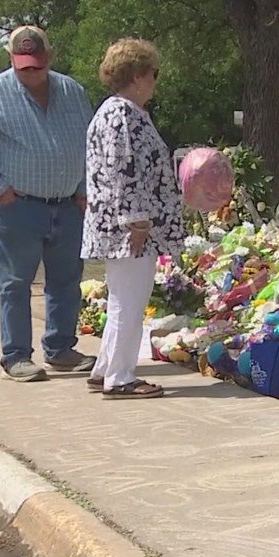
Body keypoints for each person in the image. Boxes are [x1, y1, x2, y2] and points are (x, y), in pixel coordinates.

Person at [0, 25, 96, 383]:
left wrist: (82, 188)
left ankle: (60, 349)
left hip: (68, 205)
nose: (30, 71)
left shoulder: (73, 91)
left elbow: (88, 142)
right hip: (20, 206)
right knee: (15, 283)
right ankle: (16, 355)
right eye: (22, 65)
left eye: (36, 64)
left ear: (50, 57)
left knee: (66, 281)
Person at [81, 38, 183, 399]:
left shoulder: (118, 113)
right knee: (130, 300)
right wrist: (137, 221)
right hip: (131, 228)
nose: (156, 80)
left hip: (121, 224)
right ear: (138, 76)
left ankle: (106, 367)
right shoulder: (122, 115)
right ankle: (120, 378)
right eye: (153, 73)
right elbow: (123, 169)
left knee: (121, 297)